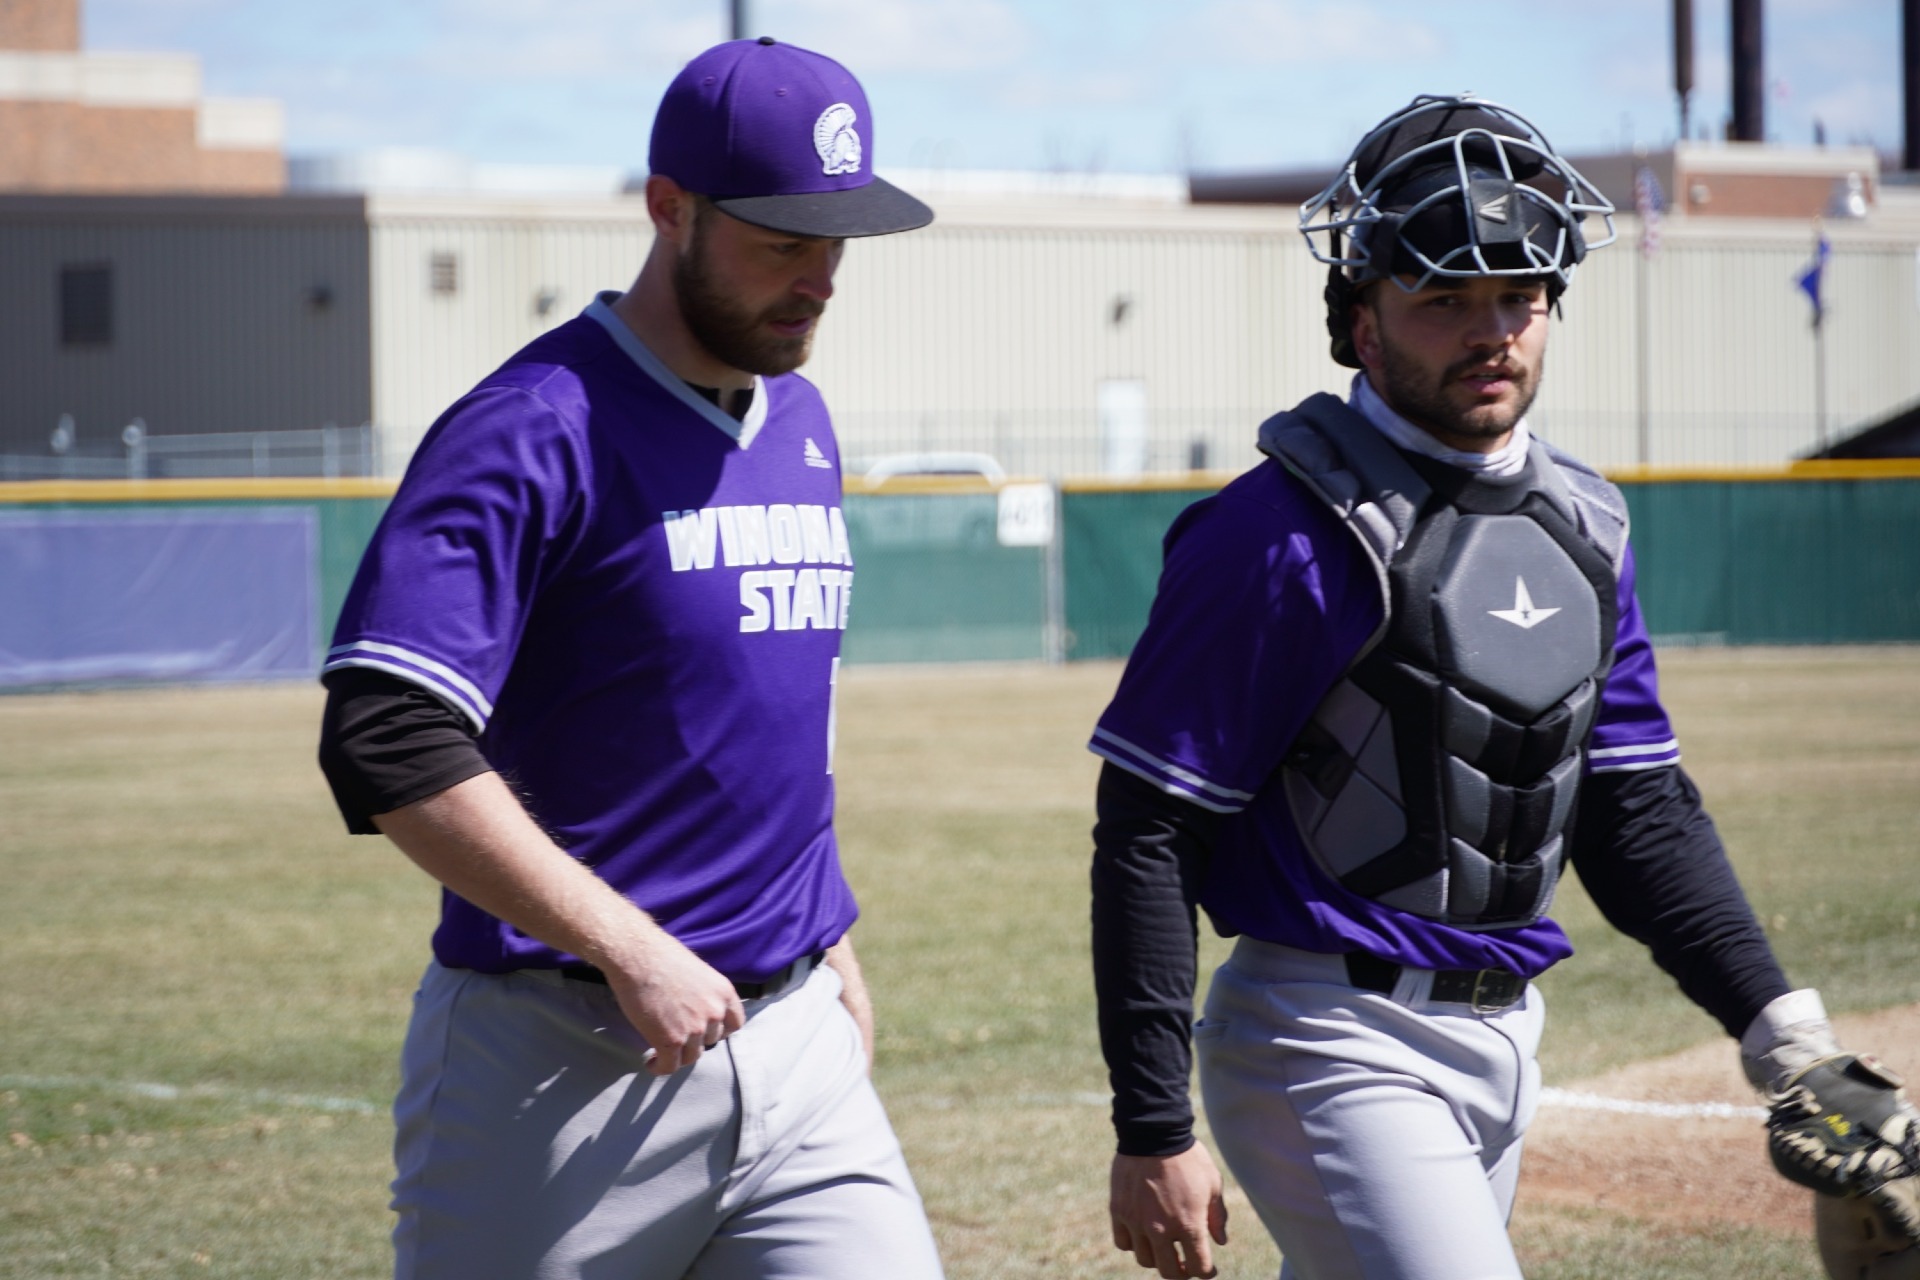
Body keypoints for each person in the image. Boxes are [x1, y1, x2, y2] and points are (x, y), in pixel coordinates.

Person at [1088, 94, 1918, 1280]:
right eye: (1444, 297)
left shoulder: (1584, 521)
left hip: (1507, 1030)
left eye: (1520, 294)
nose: (1493, 331)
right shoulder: (1276, 533)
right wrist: (1153, 1126)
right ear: (1361, 322)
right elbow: (1150, 826)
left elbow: (1634, 809)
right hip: (1328, 1035)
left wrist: (1784, 1034)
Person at [315, 37, 944, 1280]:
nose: (817, 277)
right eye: (779, 239)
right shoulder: (533, 426)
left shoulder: (798, 412)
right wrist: (630, 944)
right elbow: (384, 732)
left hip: (798, 1049)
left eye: (835, 242)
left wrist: (827, 942)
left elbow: (765, 718)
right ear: (670, 210)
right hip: (563, 1066)